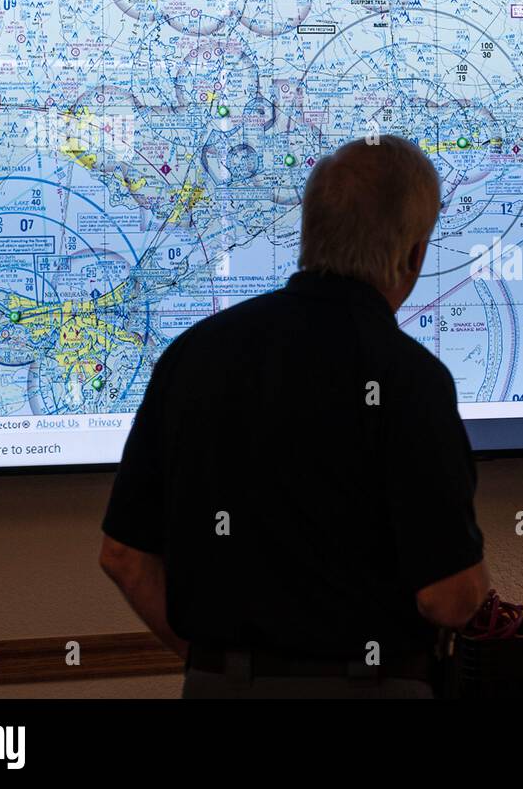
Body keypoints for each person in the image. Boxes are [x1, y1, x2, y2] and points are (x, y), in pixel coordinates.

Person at [99, 134, 489, 698]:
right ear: (414, 254)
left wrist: (214, 660)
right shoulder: (410, 379)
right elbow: (448, 597)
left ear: (310, 235)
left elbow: (123, 556)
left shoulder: (192, 356)